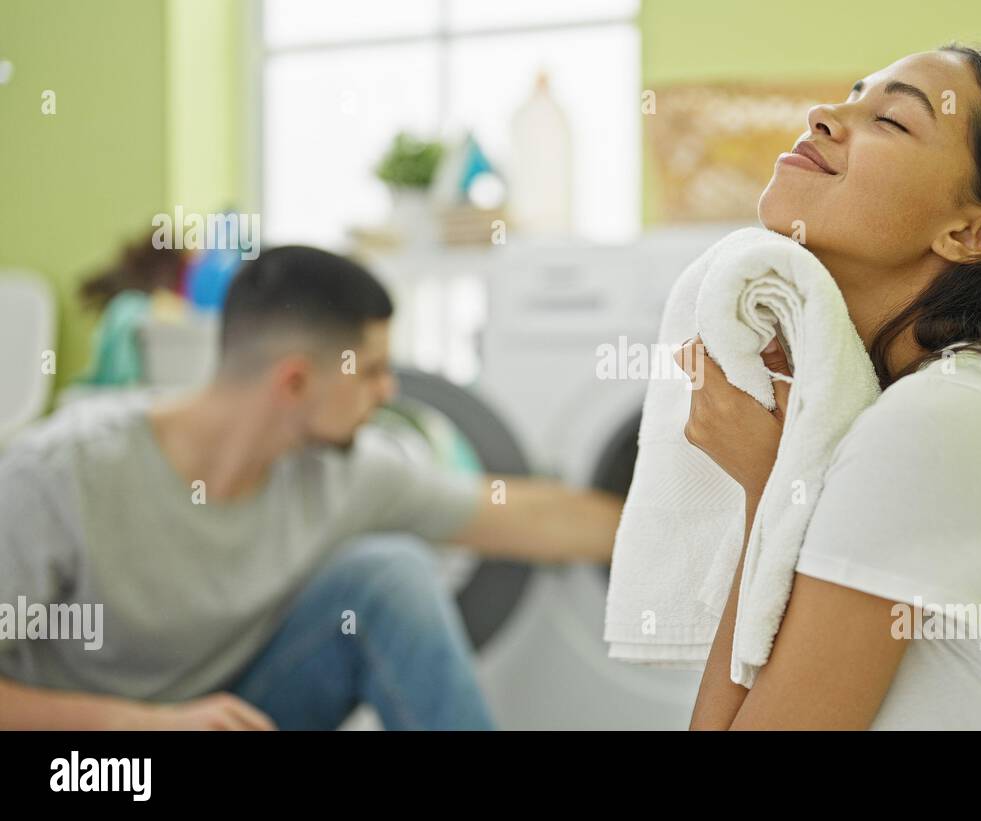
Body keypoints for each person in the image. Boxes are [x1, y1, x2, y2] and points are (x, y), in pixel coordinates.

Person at [679, 46, 981, 729]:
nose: (824, 115)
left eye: (889, 119)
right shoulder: (934, 402)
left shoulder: (950, 415)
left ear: (973, 232)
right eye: (850, 94)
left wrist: (771, 488)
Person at [0, 246, 623, 730]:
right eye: (372, 372)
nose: (389, 393)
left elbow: (526, 515)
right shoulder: (58, 474)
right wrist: (145, 724)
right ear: (295, 382)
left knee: (390, 573)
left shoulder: (345, 471)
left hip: (238, 714)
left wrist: (702, 536)